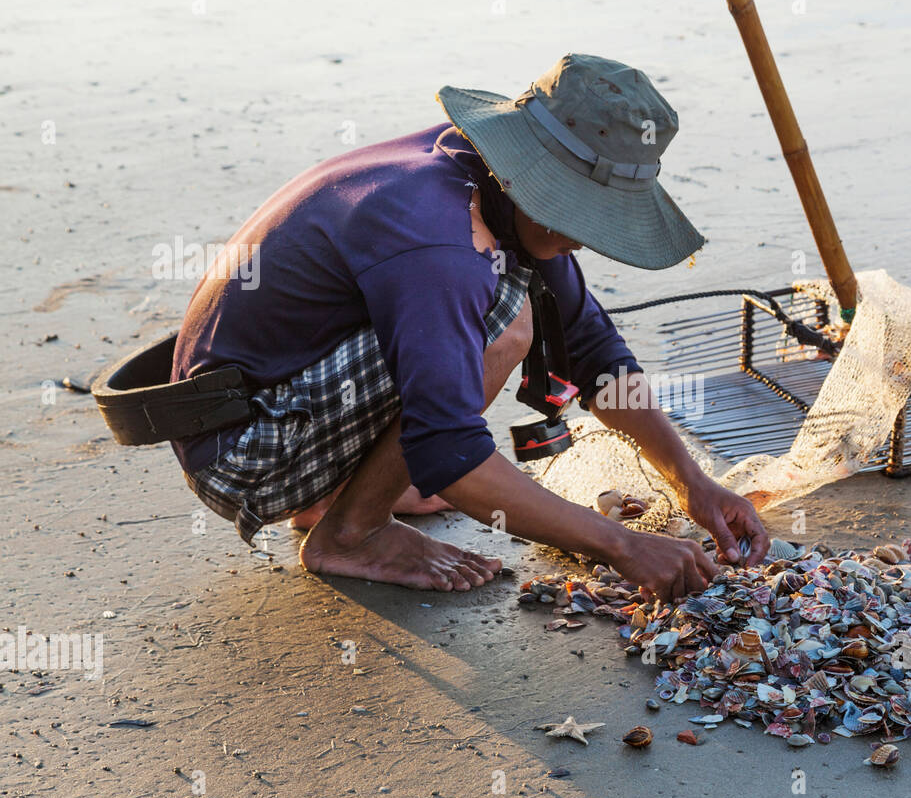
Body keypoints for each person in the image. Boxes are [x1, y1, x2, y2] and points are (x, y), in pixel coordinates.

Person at [170, 53, 769, 598]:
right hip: (244, 452)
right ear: (529, 173)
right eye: (578, 211)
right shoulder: (444, 241)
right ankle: (351, 533)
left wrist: (692, 483)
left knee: (512, 303)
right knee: (505, 326)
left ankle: (340, 493)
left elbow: (591, 351)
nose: (585, 235)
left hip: (276, 393)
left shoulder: (477, 171)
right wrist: (622, 545)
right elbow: (448, 448)